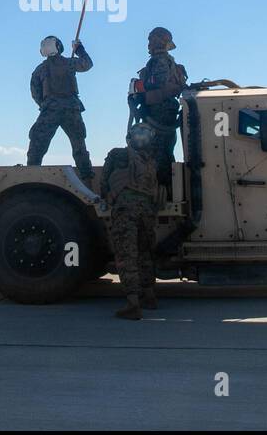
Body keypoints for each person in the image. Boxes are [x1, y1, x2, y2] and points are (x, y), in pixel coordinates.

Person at [102, 123, 161, 319]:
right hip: (147, 211)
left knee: (127, 255)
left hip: (125, 210)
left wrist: (108, 196)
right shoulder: (152, 161)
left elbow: (104, 181)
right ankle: (150, 296)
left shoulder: (117, 154)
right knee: (145, 254)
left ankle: (133, 303)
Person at [27, 35, 94, 186]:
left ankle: (29, 177)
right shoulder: (69, 63)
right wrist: (79, 49)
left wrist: (46, 104)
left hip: (51, 109)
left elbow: (35, 92)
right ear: (58, 47)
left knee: (37, 144)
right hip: (71, 108)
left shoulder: (40, 69)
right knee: (79, 146)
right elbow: (87, 64)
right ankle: (88, 180)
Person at [130, 26, 188, 191]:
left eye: (151, 40)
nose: (149, 43)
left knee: (158, 153)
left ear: (158, 41)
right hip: (162, 110)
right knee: (163, 151)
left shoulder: (159, 61)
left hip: (160, 111)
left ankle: (164, 190)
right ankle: (166, 188)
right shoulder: (166, 61)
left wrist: (140, 90)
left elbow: (157, 85)